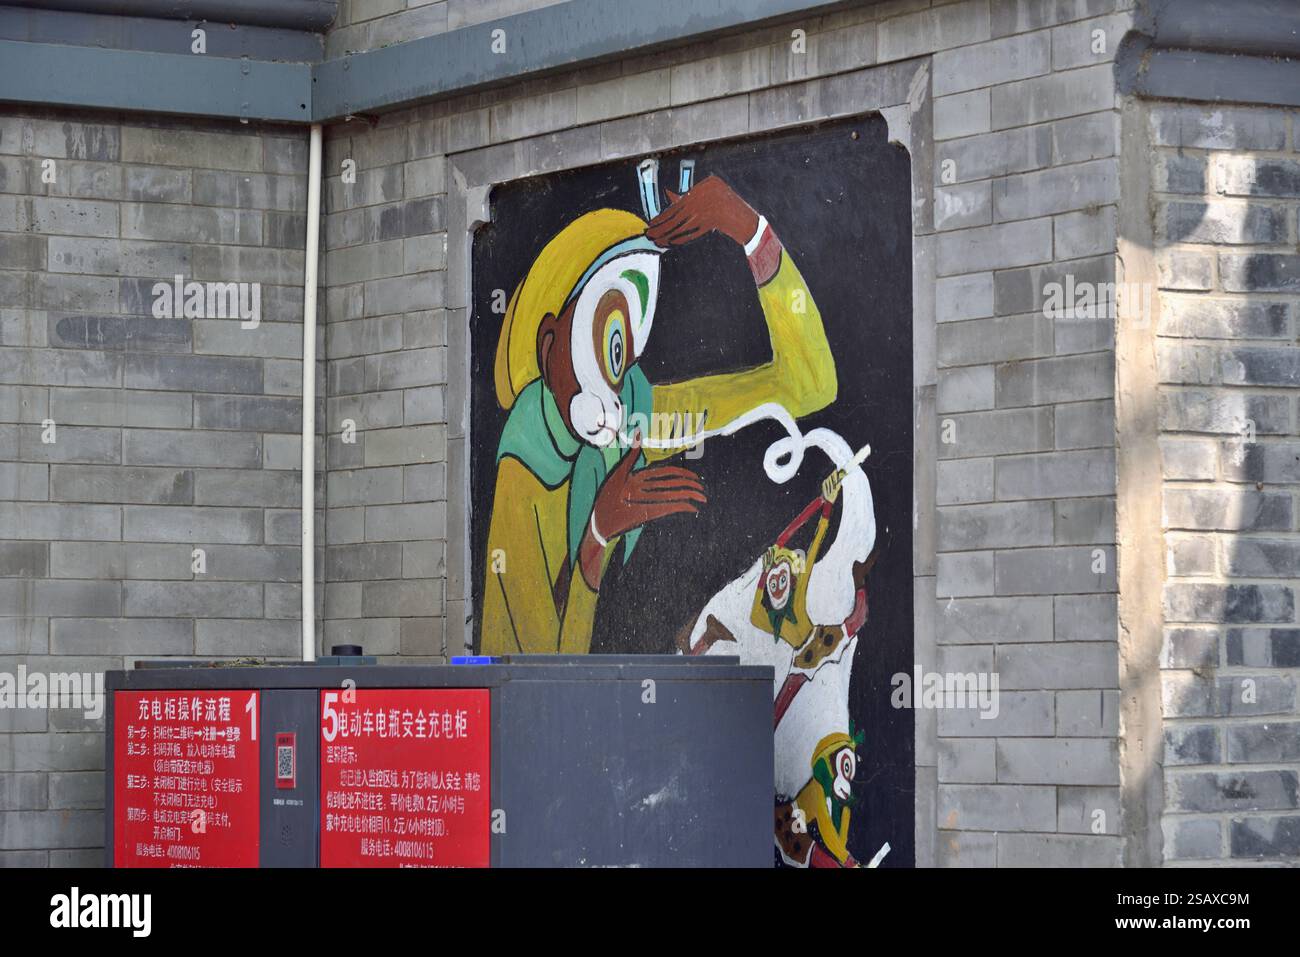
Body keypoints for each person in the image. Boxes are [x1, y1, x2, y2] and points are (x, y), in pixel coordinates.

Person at [481, 172, 838, 655]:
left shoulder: (635, 418)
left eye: (624, 354)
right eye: (609, 346)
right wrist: (596, 536)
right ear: (548, 345)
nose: (617, 389)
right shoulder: (524, 471)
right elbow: (539, 673)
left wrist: (752, 232)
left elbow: (806, 385)